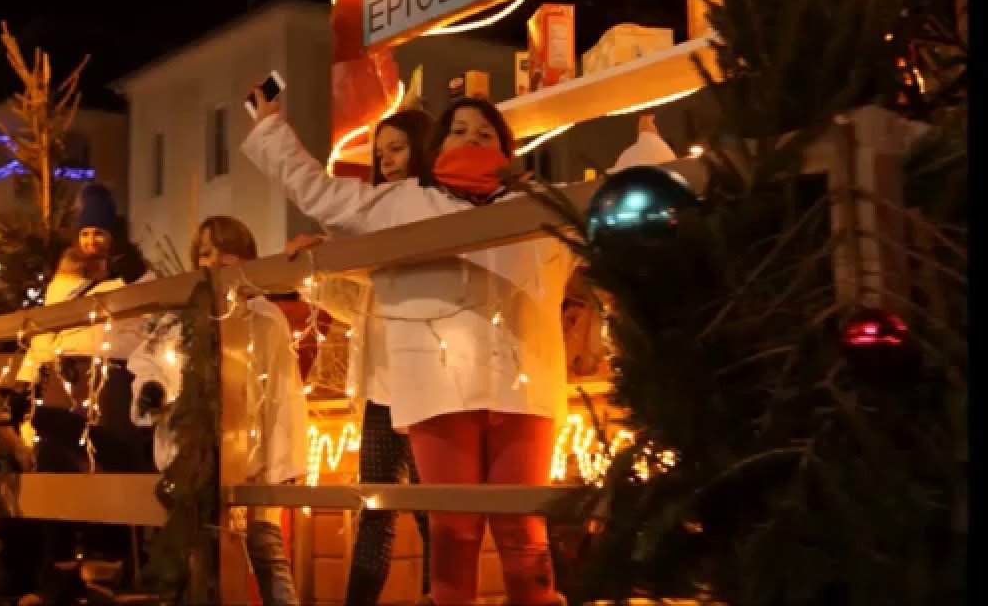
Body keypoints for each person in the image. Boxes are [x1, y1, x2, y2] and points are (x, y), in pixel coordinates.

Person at [242, 83, 677, 606]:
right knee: (454, 533)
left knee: (523, 536)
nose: (472, 139)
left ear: (505, 149)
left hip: (523, 388)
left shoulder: (537, 205)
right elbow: (318, 191)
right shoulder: (401, 202)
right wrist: (270, 126)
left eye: (485, 132)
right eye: (459, 130)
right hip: (438, 392)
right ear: (437, 147)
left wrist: (646, 147)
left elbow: (608, 204)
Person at [287, 109, 435, 606]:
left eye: (397, 148)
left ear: (421, 147)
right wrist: (322, 264)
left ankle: (442, 595)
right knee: (377, 509)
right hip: (382, 390)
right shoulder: (376, 222)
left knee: (431, 510)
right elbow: (356, 304)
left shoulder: (435, 210)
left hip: (432, 388)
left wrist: (336, 256)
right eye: (380, 152)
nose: (386, 160)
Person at [129, 215, 307, 606]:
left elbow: (281, 392)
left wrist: (280, 468)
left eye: (227, 252)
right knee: (196, 554)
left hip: (251, 460)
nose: (216, 261)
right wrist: (151, 392)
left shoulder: (264, 318)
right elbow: (146, 362)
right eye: (207, 252)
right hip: (192, 458)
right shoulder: (178, 318)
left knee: (265, 549)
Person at [12, 182, 155, 605]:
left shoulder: (134, 275)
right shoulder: (64, 277)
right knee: (56, 466)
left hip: (110, 376)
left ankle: (110, 569)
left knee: (109, 465)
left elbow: (147, 328)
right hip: (63, 377)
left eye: (100, 233)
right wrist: (27, 377)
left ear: (113, 235)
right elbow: (45, 331)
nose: (91, 242)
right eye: (85, 233)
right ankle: (57, 570)